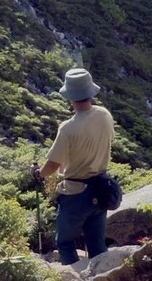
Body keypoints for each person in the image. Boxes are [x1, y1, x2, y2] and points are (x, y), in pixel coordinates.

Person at [35, 67, 114, 265]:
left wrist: (38, 173)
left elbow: (53, 165)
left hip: (76, 193)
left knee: (64, 240)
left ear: (69, 96)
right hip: (102, 188)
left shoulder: (68, 128)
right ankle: (101, 280)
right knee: (96, 243)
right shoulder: (104, 115)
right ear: (90, 92)